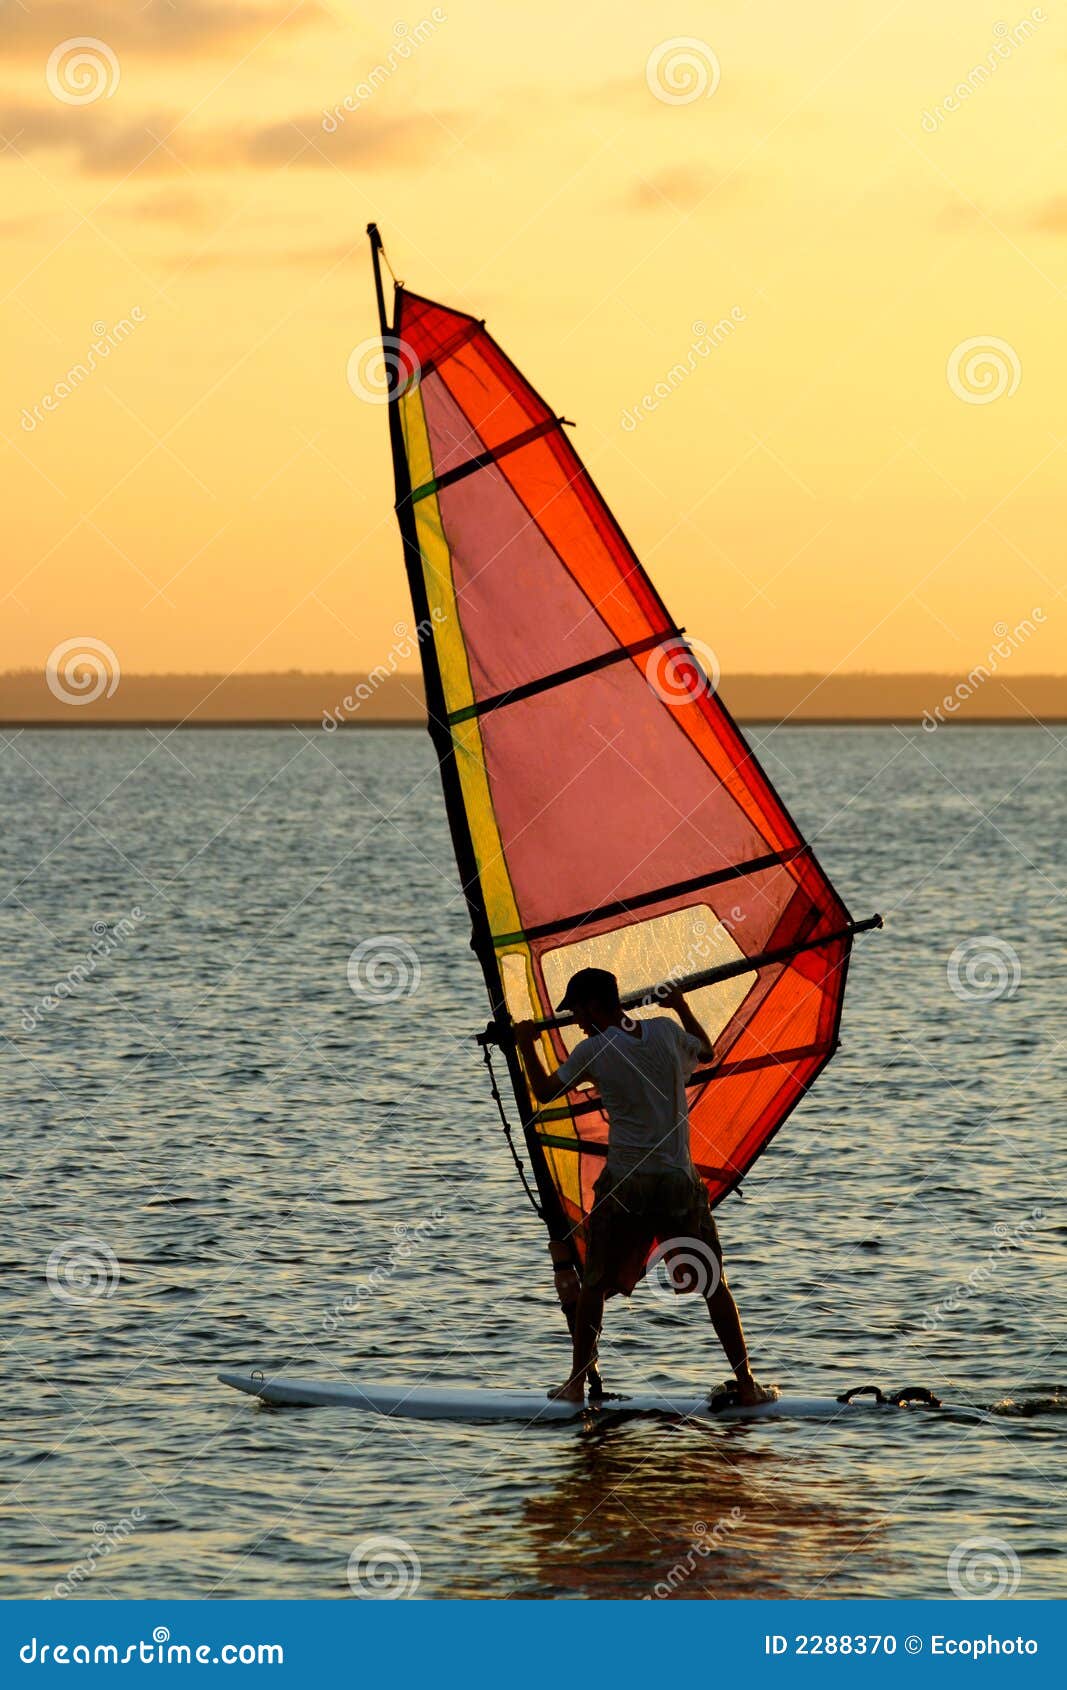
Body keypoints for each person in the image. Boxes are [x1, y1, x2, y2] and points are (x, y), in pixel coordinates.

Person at [514, 966, 776, 1408]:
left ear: (597, 1004)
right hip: (677, 1181)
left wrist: (525, 1045)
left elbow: (542, 1090)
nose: (576, 1020)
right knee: (715, 1283)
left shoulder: (592, 1050)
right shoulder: (666, 1031)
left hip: (626, 1186)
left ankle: (576, 1384)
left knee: (594, 1284)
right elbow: (708, 1051)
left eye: (577, 1010)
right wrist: (681, 1006)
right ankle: (746, 1383)